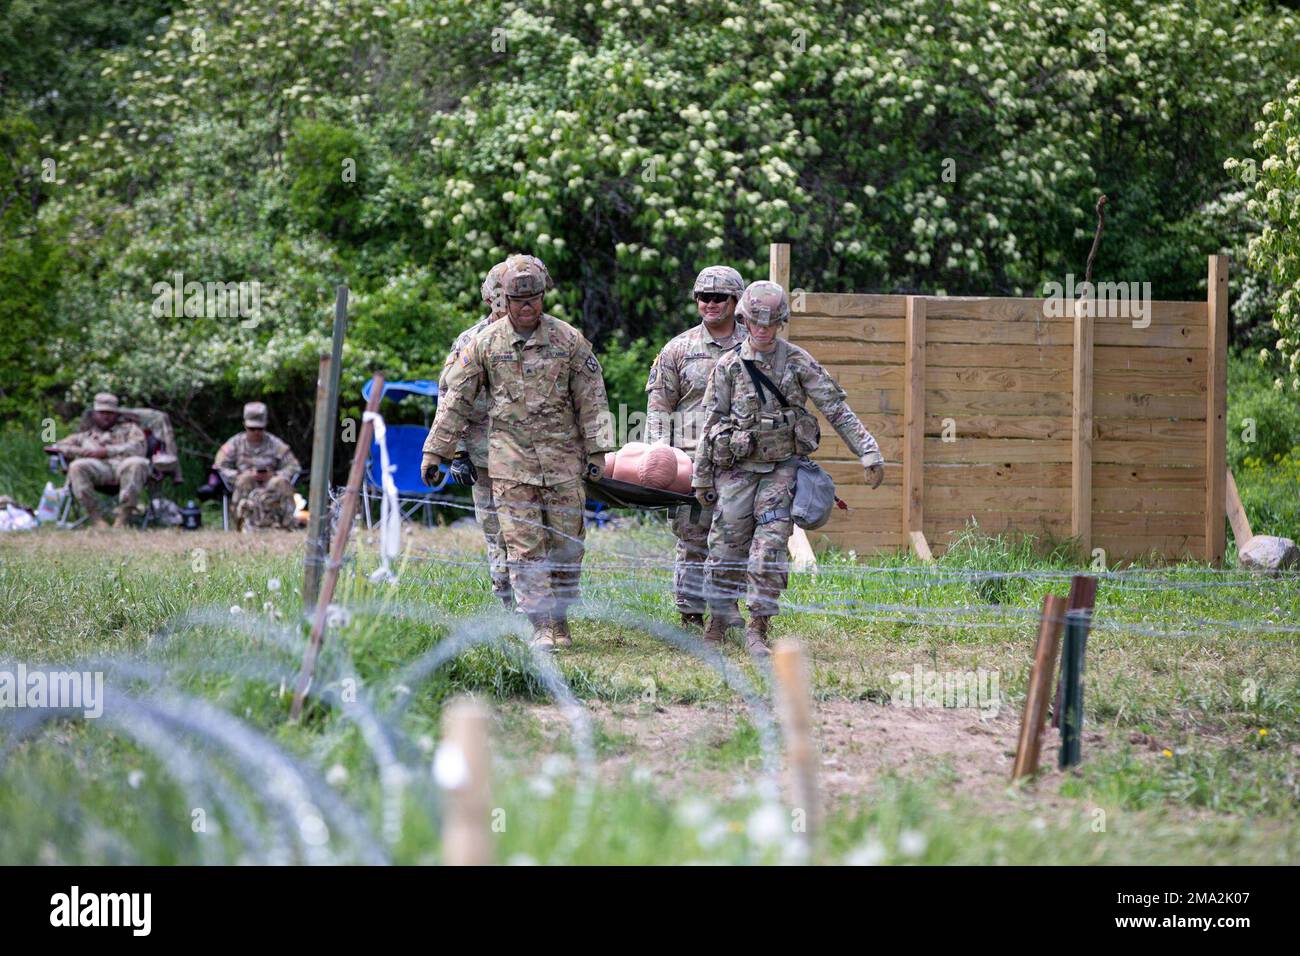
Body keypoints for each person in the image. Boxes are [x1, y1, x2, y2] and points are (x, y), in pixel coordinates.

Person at [422, 257, 615, 650]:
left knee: (565, 544)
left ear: (543, 298)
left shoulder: (568, 340)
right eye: (517, 300)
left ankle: (560, 619)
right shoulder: (484, 345)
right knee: (523, 547)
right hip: (508, 462)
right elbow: (455, 400)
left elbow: (593, 398)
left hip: (562, 461)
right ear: (503, 301)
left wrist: (598, 451)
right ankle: (541, 624)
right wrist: (438, 452)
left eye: (533, 299)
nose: (526, 307)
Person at [693, 281, 885, 656]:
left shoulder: (797, 362)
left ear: (781, 323)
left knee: (770, 548)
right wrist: (702, 474)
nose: (762, 331)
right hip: (737, 469)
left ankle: (757, 628)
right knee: (723, 545)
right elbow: (710, 422)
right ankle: (718, 617)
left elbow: (836, 410)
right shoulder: (729, 366)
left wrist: (869, 452)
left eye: (771, 324)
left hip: (782, 469)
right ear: (744, 320)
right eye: (755, 323)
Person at [645, 265, 747, 630]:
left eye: (719, 297)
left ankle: (726, 607)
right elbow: (659, 407)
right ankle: (690, 612)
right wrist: (659, 453)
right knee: (692, 537)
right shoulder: (678, 349)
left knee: (735, 536)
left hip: (742, 459)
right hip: (690, 459)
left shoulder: (756, 346)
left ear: (736, 300)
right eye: (704, 297)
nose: (711, 303)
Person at [440, 259, 516, 608]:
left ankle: (544, 608)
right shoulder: (471, 341)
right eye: (503, 296)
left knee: (541, 534)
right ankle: (507, 603)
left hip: (542, 453)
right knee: (498, 532)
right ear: (490, 299)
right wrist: (456, 451)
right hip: (486, 453)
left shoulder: (553, 337)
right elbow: (449, 398)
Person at [49, 392, 149, 529]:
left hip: (124, 466)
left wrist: (107, 451)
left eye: (110, 413)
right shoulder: (85, 435)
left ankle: (123, 518)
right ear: (94, 414)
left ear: (116, 414)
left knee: (138, 462)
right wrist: (82, 452)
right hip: (98, 469)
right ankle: (96, 519)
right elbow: (59, 446)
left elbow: (138, 447)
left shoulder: (130, 429)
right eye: (101, 412)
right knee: (77, 466)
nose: (105, 416)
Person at [214, 402, 302, 530]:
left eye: (260, 429)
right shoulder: (235, 443)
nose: (256, 432)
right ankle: (241, 522)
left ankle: (286, 524)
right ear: (245, 425)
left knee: (281, 482)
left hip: (271, 484)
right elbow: (219, 466)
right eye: (252, 429)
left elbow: (294, 467)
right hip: (246, 483)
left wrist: (274, 475)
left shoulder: (275, 444)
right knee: (245, 480)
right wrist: (239, 475)